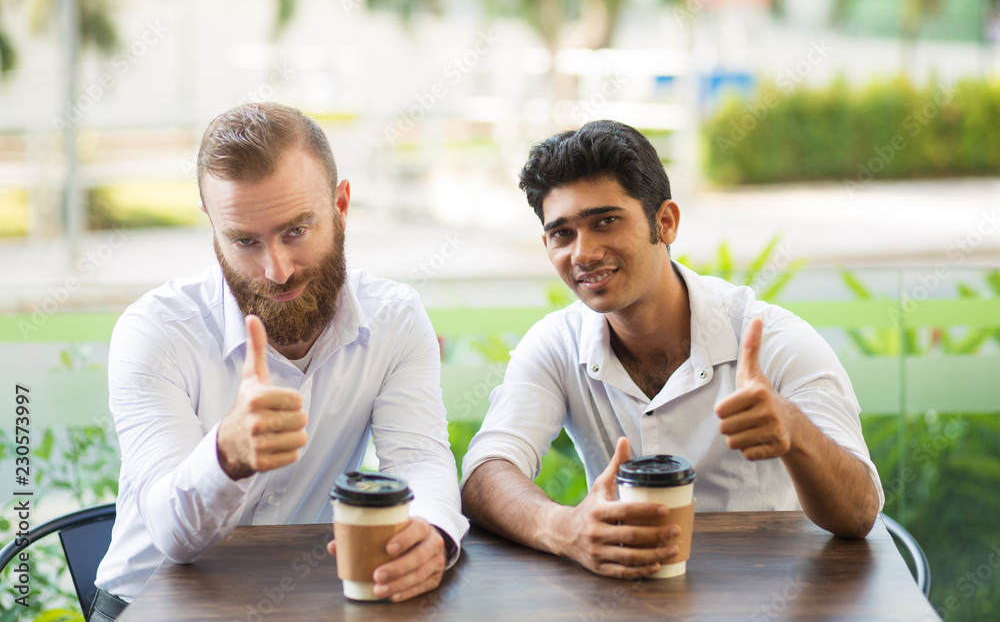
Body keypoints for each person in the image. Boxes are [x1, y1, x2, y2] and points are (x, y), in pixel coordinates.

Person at [460, 119, 884, 579]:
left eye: (606, 221)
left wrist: (794, 430)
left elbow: (860, 512)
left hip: (774, 591)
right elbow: (485, 472)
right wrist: (565, 529)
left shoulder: (774, 340)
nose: (583, 253)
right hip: (629, 592)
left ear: (664, 223)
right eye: (563, 233)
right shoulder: (556, 345)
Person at [92, 102, 468, 620]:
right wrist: (225, 455)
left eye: (296, 231)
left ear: (341, 204)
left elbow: (419, 459)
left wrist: (432, 531)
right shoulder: (155, 331)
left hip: (302, 601)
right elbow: (172, 538)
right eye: (245, 240)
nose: (277, 269)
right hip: (148, 605)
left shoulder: (394, 319)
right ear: (213, 226)